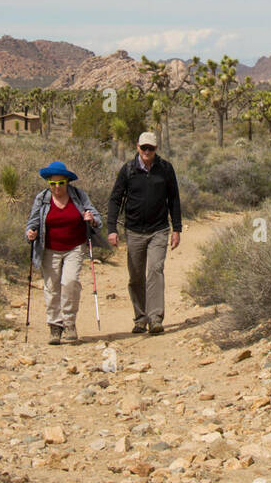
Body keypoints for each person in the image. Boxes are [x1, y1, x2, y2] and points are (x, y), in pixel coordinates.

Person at [107, 132, 182, 335]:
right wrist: (112, 229)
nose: (147, 152)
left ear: (156, 149)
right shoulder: (128, 170)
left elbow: (174, 199)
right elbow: (115, 199)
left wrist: (177, 229)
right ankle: (140, 318)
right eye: (144, 148)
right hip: (134, 231)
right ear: (137, 147)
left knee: (155, 271)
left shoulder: (165, 169)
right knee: (136, 276)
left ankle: (155, 318)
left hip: (159, 230)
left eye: (151, 148)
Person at [26, 160, 102, 345]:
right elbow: (32, 222)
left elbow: (96, 218)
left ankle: (69, 323)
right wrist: (30, 232)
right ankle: (54, 326)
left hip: (75, 247)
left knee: (69, 282)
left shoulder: (78, 196)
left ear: (67, 182)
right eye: (53, 183)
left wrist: (90, 219)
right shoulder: (42, 199)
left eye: (61, 183)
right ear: (48, 183)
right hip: (49, 248)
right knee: (52, 287)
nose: (57, 187)